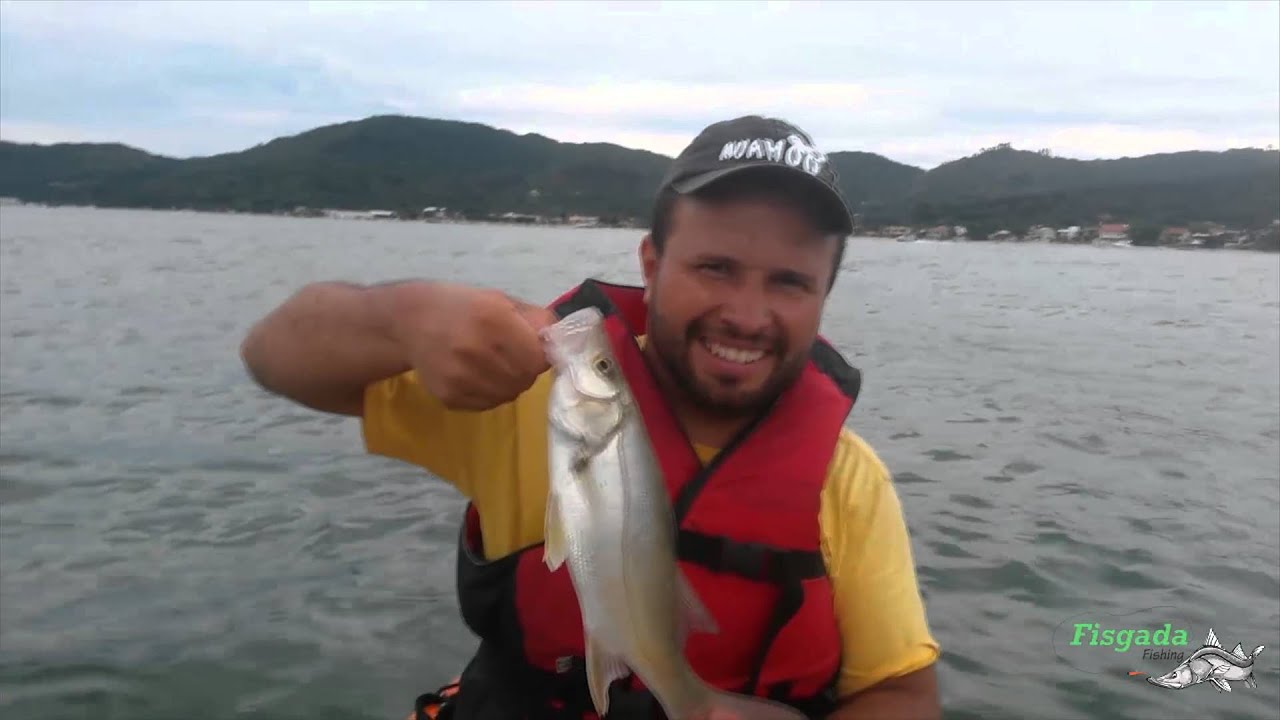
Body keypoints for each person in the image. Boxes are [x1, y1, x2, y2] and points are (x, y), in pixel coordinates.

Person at [240, 115, 941, 720]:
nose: (747, 315)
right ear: (652, 262)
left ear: (825, 296)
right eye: (716, 267)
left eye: (790, 281)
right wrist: (399, 319)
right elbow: (273, 356)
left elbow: (904, 693)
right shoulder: (528, 399)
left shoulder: (848, 481)